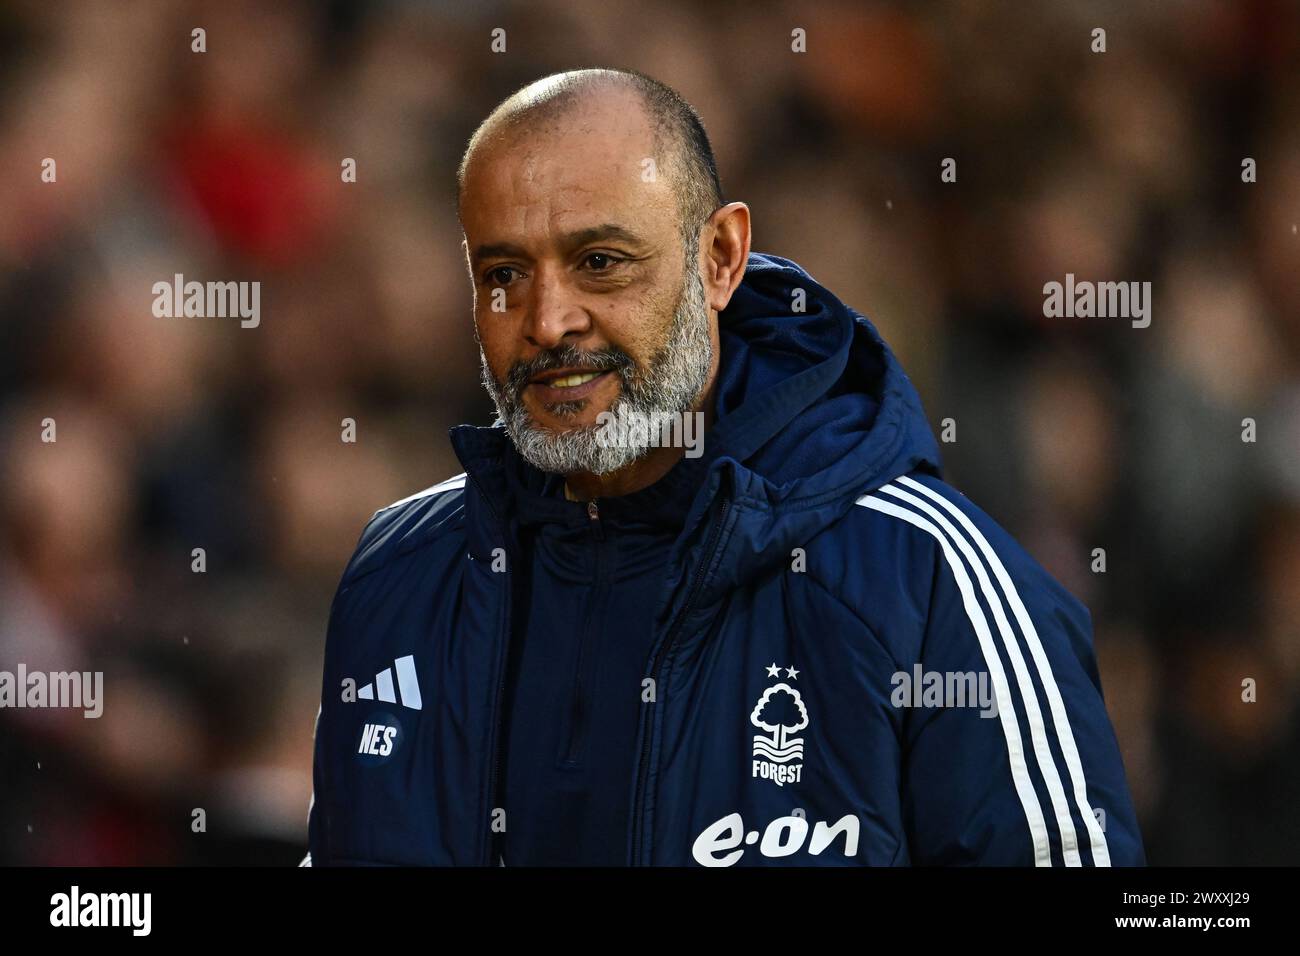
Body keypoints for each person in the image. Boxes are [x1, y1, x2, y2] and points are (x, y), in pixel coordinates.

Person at [304, 67, 1144, 866]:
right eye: (504, 275)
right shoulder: (398, 577)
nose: (549, 320)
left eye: (601, 262)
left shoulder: (930, 584)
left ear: (720, 258)